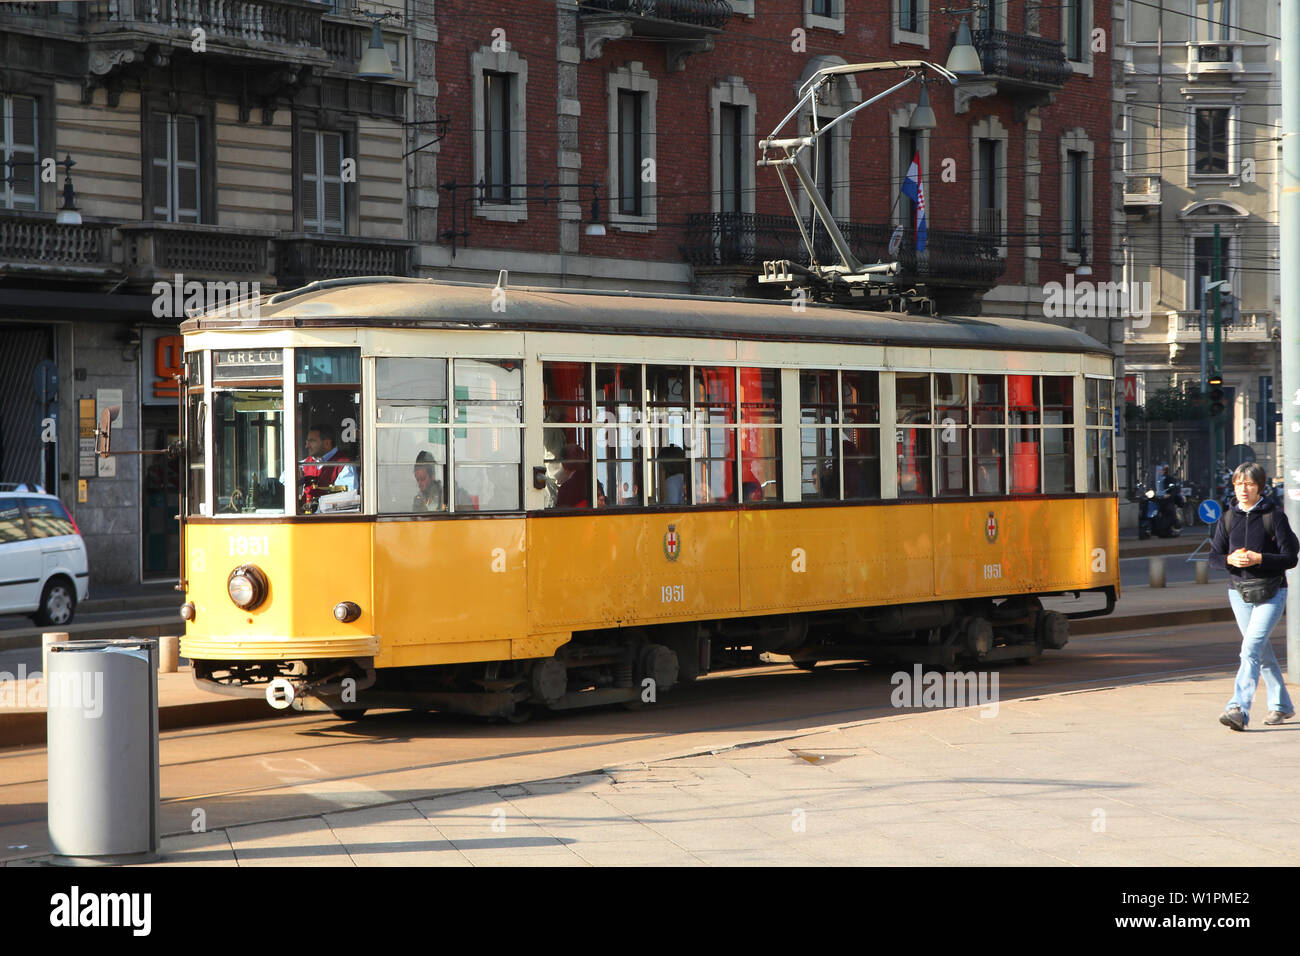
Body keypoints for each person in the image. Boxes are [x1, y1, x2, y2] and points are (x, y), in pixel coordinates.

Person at [1209, 461, 1299, 731]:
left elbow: (1290, 557)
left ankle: (1238, 708)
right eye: (1239, 484)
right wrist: (1230, 559)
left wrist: (1259, 558)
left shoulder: (1274, 516)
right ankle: (1281, 706)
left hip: (1271, 591)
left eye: (1249, 484)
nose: (1243, 489)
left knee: (1250, 649)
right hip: (1238, 593)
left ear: (1260, 486)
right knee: (1261, 651)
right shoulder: (1227, 517)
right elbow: (1214, 557)